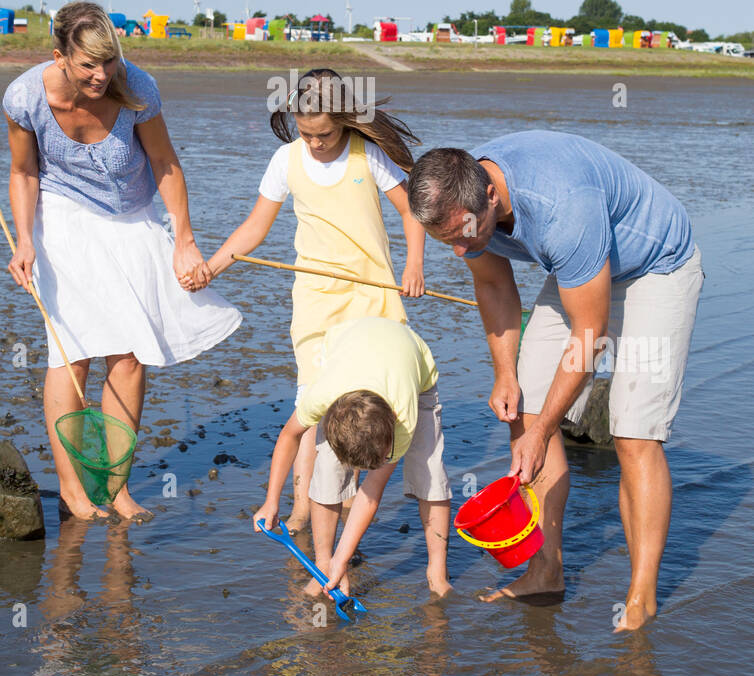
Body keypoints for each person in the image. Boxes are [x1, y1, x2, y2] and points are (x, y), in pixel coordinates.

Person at [407, 133, 703, 631]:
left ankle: (640, 598)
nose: (458, 250)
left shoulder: (561, 207)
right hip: (579, 270)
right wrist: (506, 376)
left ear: (492, 199)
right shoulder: (464, 204)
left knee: (633, 434)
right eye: (446, 241)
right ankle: (546, 571)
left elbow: (591, 337)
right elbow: (494, 283)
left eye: (463, 236)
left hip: (657, 269)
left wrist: (548, 428)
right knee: (523, 408)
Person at [2, 0, 241, 522]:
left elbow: (164, 161)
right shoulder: (25, 97)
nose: (101, 74)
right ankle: (72, 488)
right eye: (88, 64)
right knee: (75, 351)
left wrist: (184, 239)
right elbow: (24, 173)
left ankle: (115, 487)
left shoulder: (137, 89)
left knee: (130, 352)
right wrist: (24, 241)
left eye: (108, 61)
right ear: (60, 56)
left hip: (132, 214)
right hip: (62, 216)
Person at [186, 68, 426, 530]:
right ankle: (302, 508)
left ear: (344, 121)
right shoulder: (286, 160)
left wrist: (414, 264)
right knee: (314, 405)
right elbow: (255, 227)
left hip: (372, 296)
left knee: (362, 405)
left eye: (325, 134)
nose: (316, 143)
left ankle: (342, 499)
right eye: (306, 133)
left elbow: (412, 210)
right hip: (316, 301)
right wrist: (211, 268)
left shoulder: (368, 155)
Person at [253, 316, 451, 598]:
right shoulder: (320, 395)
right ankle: (322, 566)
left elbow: (371, 493)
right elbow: (289, 436)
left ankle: (437, 573)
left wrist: (342, 559)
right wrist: (270, 501)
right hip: (346, 343)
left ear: (392, 425)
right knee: (327, 469)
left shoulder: (404, 419)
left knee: (428, 471)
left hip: (410, 360)